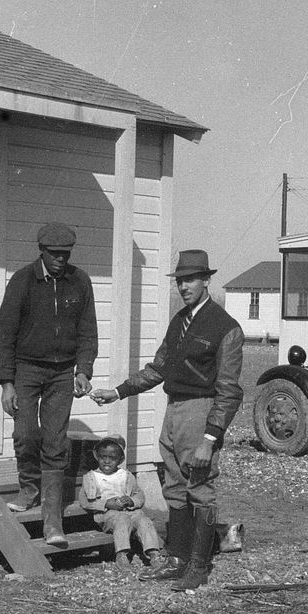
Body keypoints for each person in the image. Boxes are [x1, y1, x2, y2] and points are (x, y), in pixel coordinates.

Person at [91, 249, 243, 591]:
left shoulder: (225, 328)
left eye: (191, 280)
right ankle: (177, 558)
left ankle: (198, 566)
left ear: (206, 280)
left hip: (201, 411)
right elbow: (159, 368)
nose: (184, 286)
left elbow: (230, 390)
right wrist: (118, 392)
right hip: (173, 410)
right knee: (175, 487)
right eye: (180, 281)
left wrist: (210, 437)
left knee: (200, 489)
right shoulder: (179, 322)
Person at [0, 222, 98, 548]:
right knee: (25, 433)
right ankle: (29, 489)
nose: (60, 260)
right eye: (54, 254)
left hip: (62, 373)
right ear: (41, 251)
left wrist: (84, 371)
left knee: (55, 440)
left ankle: (53, 521)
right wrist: (6, 383)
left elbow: (87, 331)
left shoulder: (79, 282)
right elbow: (5, 334)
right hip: (26, 370)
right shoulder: (23, 281)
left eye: (65, 254)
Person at [78, 434, 163, 570]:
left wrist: (131, 501)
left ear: (120, 460)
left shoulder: (126, 476)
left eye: (112, 458)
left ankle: (154, 554)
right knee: (122, 519)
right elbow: (84, 501)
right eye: (103, 457)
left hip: (131, 511)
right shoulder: (92, 477)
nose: (107, 461)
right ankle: (122, 554)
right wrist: (105, 504)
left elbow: (139, 494)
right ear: (97, 457)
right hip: (109, 514)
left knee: (144, 521)